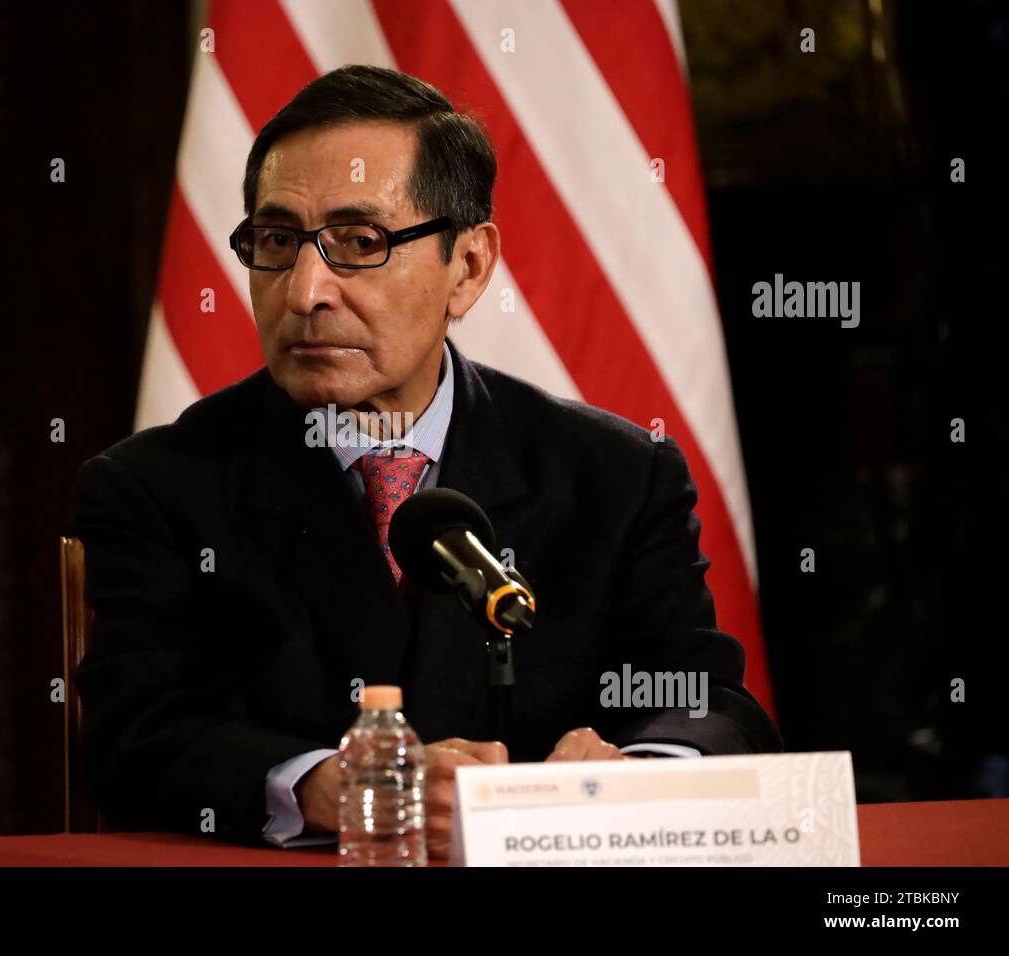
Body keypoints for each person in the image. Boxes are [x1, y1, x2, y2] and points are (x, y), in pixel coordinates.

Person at [68, 65, 780, 859]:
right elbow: (138, 736)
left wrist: (630, 780)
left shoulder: (614, 476)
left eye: (359, 242)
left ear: (468, 268)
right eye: (275, 242)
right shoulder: (156, 489)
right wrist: (329, 785)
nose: (305, 292)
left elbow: (711, 702)